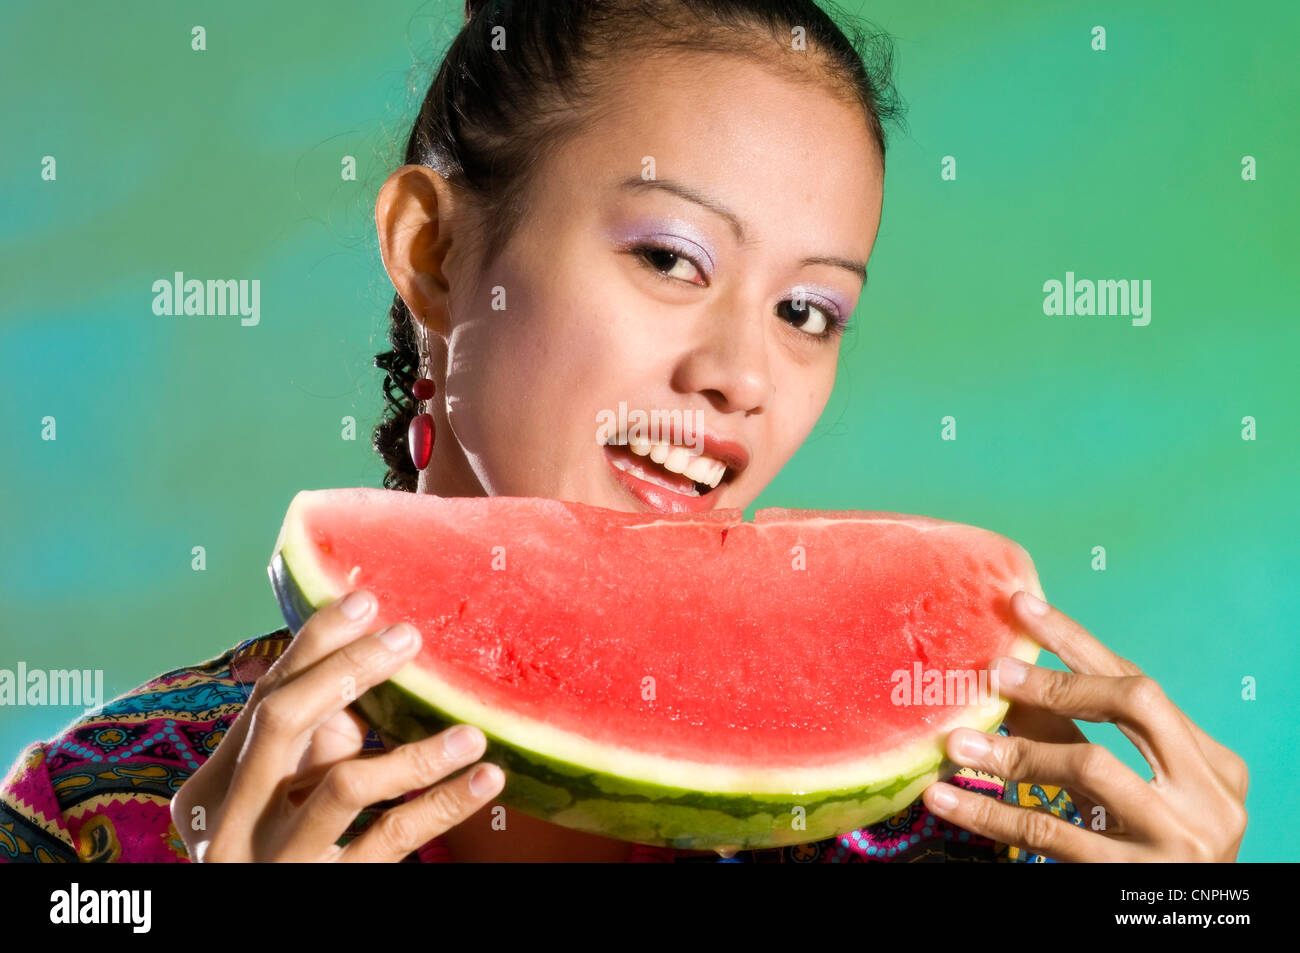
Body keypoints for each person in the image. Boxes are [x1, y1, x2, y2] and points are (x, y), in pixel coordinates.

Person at [0, 0, 1247, 864]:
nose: (739, 374)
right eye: (669, 257)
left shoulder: (978, 816)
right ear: (433, 252)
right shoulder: (92, 820)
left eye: (809, 311)